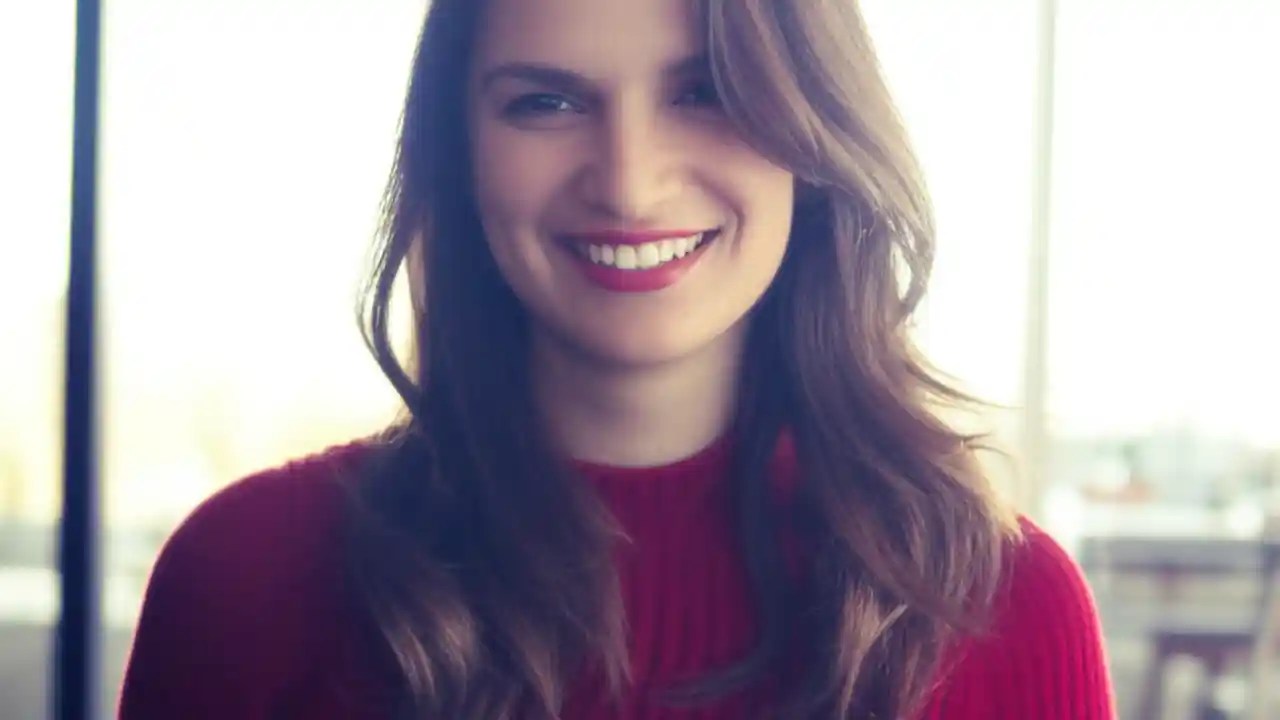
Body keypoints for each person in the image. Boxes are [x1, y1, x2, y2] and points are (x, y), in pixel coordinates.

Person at [118, 0, 1115, 718]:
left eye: (704, 91)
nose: (630, 185)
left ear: (813, 134)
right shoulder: (243, 577)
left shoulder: (1007, 609)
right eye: (546, 104)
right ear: (458, 154)